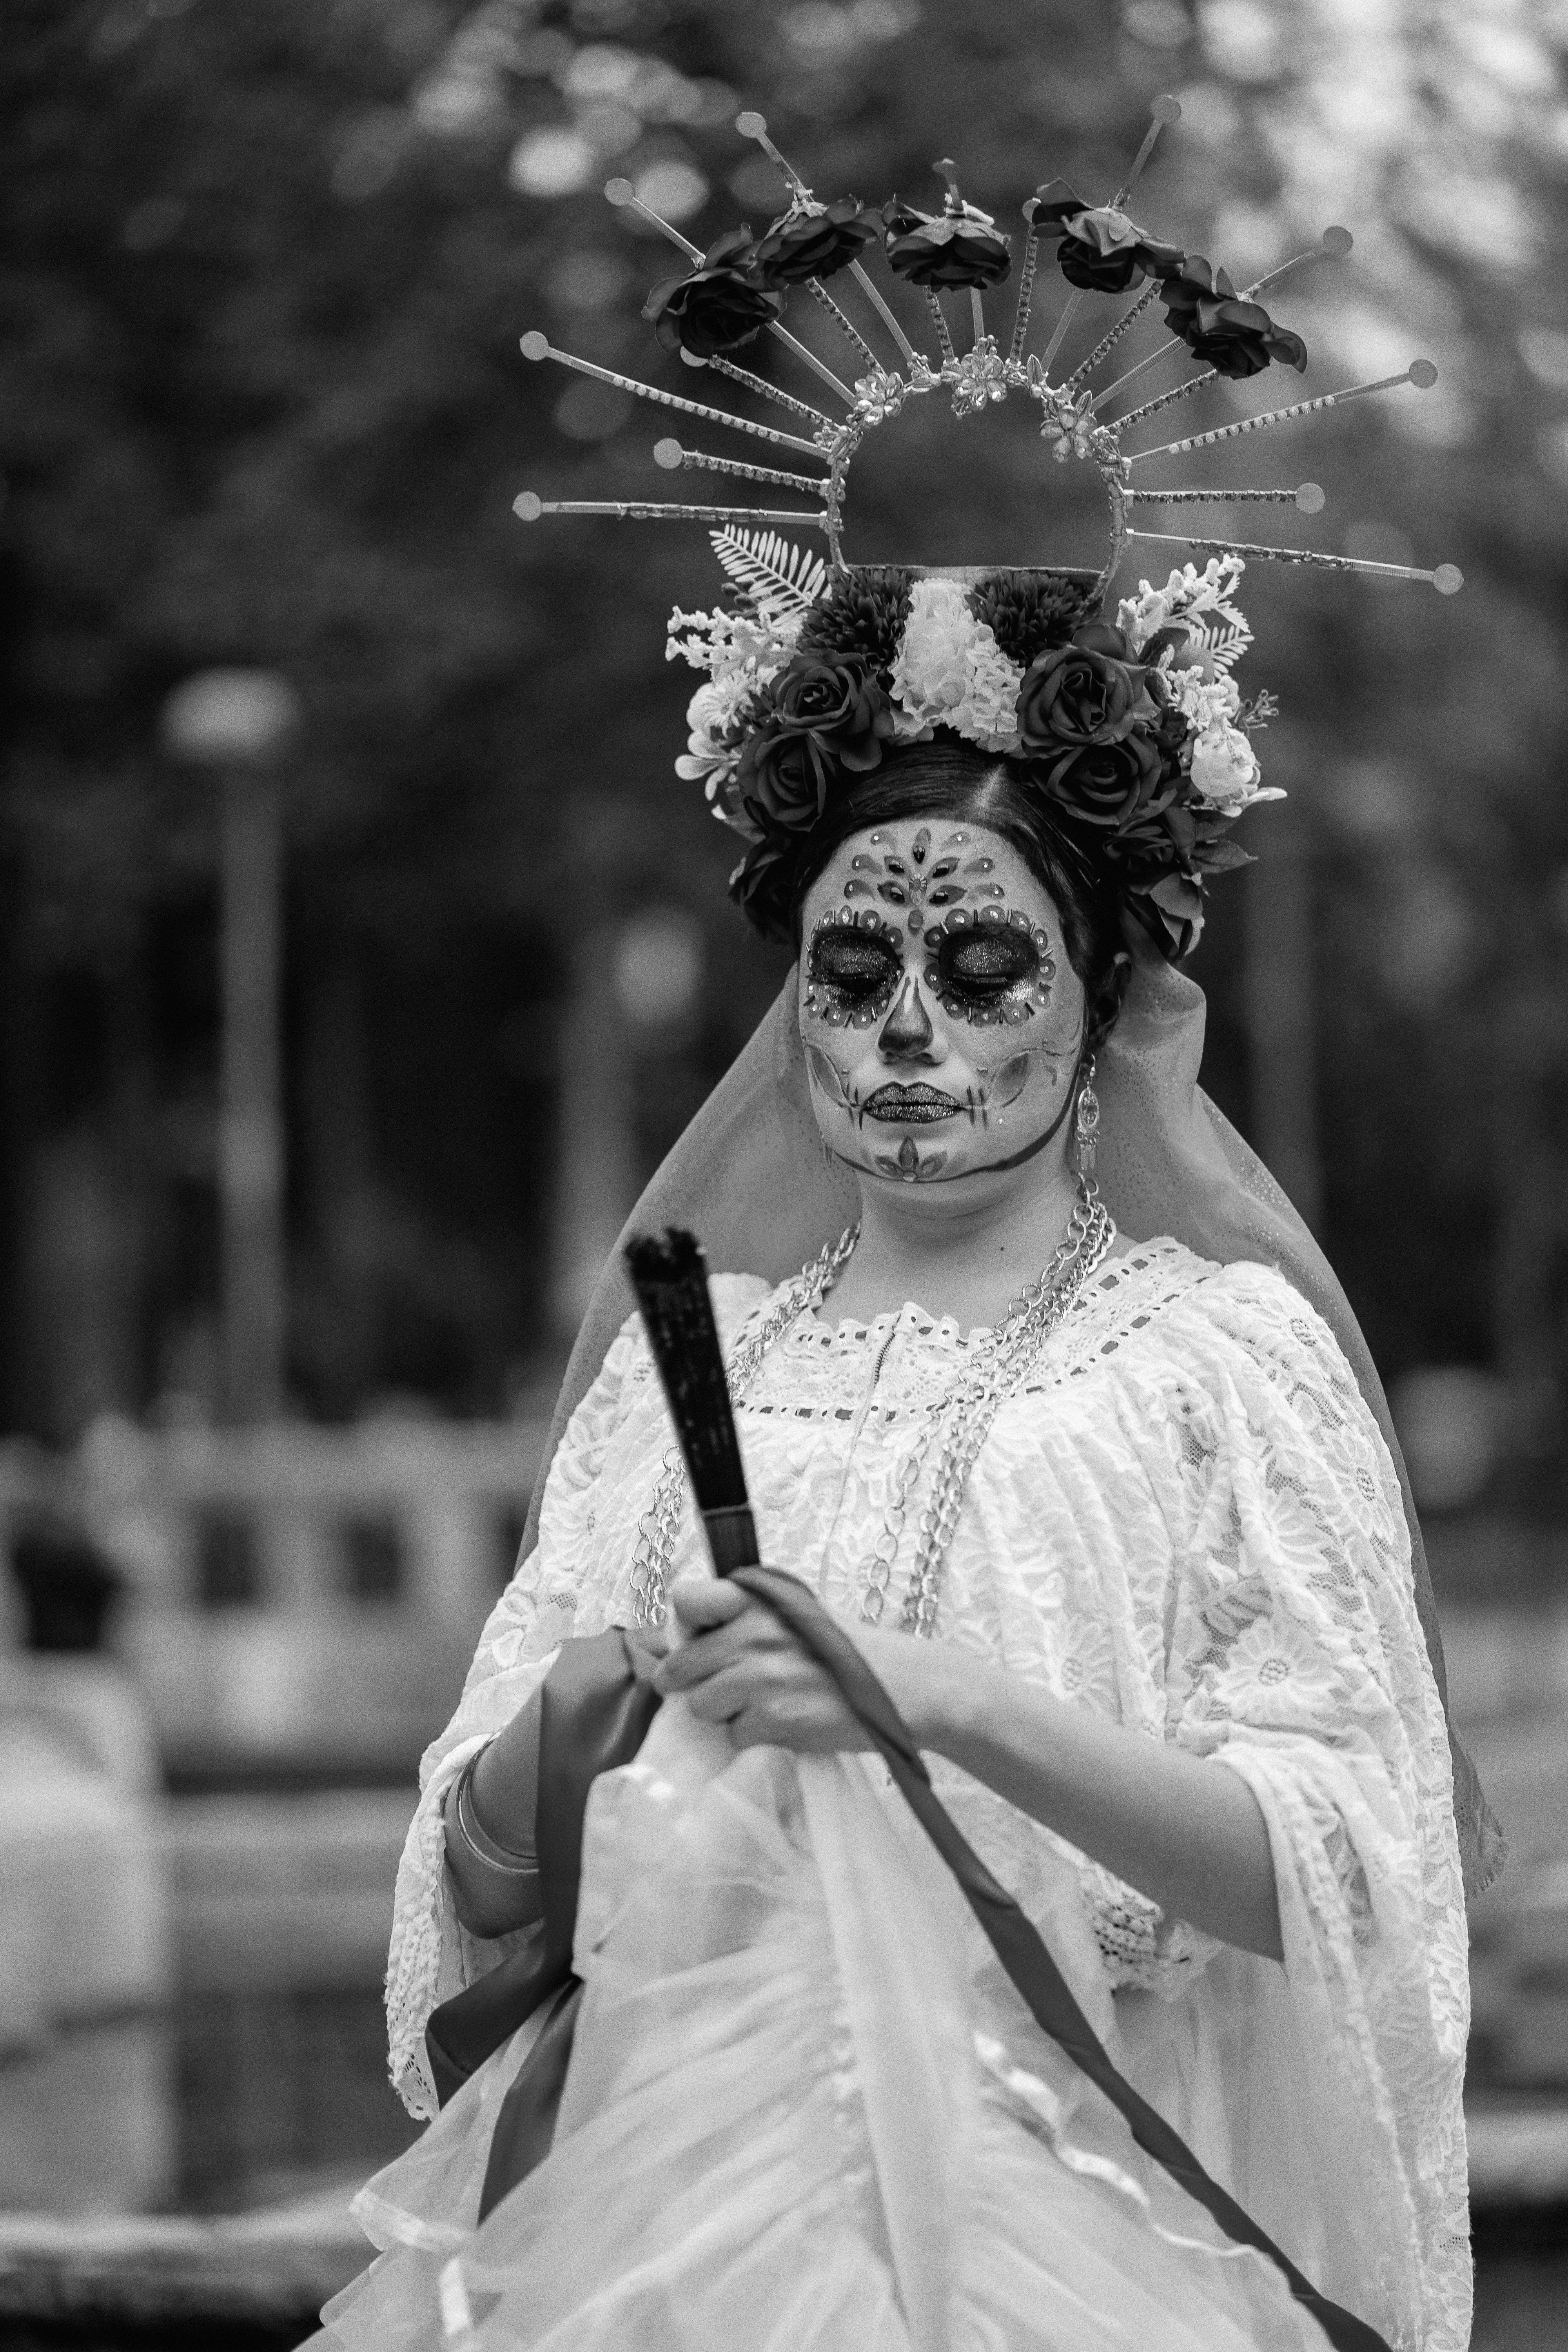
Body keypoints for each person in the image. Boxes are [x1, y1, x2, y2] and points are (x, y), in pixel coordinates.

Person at [309, 129, 1498, 2350]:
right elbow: (470, 1884)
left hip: (1099, 2242)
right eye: (854, 974)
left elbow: (1353, 1869)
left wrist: (932, 1701)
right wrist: (599, 1700)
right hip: (677, 2248)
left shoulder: (1217, 1364)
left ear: (1105, 991)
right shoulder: (698, 1360)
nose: (911, 1035)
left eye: (982, 967)